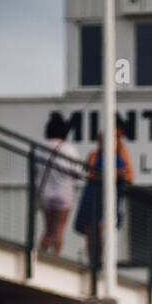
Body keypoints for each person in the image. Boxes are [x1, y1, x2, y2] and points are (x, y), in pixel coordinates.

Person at [74, 117, 133, 270]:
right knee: (91, 229)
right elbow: (90, 172)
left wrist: (114, 174)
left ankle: (101, 261)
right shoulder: (95, 155)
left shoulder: (121, 155)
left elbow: (128, 176)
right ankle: (93, 261)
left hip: (110, 194)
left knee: (103, 227)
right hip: (94, 193)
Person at [36, 114, 81, 255]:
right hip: (63, 193)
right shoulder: (69, 149)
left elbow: (35, 170)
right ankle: (56, 257)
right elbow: (77, 172)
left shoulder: (39, 148)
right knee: (59, 230)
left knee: (47, 229)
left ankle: (41, 257)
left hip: (45, 192)